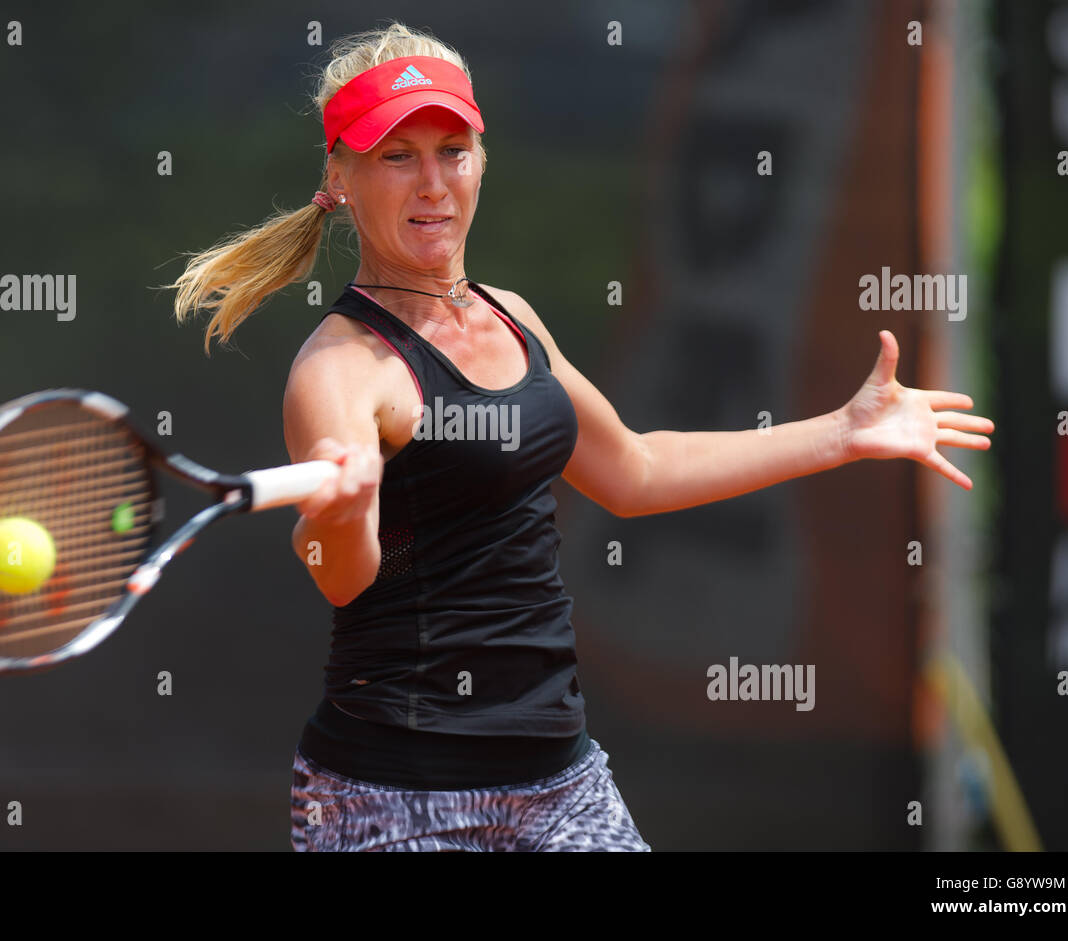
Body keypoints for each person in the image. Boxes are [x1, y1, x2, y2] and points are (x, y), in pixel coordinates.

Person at [170, 22, 994, 852]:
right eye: (397, 155)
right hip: (392, 792)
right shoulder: (339, 370)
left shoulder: (514, 319)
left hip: (562, 782)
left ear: (481, 160)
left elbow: (635, 468)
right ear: (340, 177)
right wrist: (342, 515)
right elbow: (342, 579)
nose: (433, 183)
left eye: (452, 149)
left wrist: (844, 432)